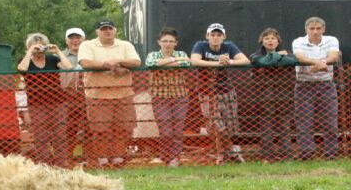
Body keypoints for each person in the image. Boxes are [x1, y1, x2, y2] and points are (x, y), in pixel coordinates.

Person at [77, 20, 142, 167]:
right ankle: (103, 159)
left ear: (115, 30)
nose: (107, 31)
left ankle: (118, 157)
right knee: (100, 130)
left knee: (124, 128)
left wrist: (118, 61)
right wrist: (107, 65)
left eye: (110, 28)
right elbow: (85, 63)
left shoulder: (125, 45)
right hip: (97, 94)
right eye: (103, 29)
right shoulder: (87, 45)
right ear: (97, 32)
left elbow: (137, 62)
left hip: (124, 93)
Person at [191, 23, 250, 163]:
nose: (215, 38)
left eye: (219, 35)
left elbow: (245, 60)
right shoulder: (200, 46)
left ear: (224, 36)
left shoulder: (228, 46)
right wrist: (218, 63)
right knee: (216, 126)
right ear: (207, 36)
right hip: (206, 93)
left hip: (226, 91)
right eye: (212, 35)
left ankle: (230, 153)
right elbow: (194, 61)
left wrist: (229, 61)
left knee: (231, 125)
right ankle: (224, 154)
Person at [17, 32, 73, 166]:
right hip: (37, 103)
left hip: (57, 102)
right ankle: (45, 163)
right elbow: (21, 69)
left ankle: (61, 162)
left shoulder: (53, 60)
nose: (39, 50)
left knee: (60, 133)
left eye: (41, 46)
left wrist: (58, 51)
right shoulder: (27, 61)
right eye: (35, 46)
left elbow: (69, 67)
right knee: (40, 135)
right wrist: (30, 52)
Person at [292, 17, 342, 160]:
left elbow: (333, 57)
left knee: (330, 122)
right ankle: (307, 154)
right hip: (303, 85)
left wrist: (320, 64)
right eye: (312, 29)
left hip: (326, 84)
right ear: (306, 30)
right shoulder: (298, 41)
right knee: (304, 122)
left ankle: (331, 154)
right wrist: (320, 64)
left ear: (323, 29)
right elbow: (300, 58)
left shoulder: (332, 40)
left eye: (318, 28)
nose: (315, 31)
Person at [146, 27, 192, 167]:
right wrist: (173, 61)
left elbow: (186, 62)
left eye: (171, 41)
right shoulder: (152, 54)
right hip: (160, 97)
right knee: (165, 129)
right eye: (164, 41)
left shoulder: (182, 53)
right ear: (159, 42)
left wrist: (164, 63)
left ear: (176, 43)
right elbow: (151, 64)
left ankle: (175, 158)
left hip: (180, 97)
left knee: (178, 129)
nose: (167, 44)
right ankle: (164, 156)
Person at [250, 28, 298, 162]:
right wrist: (278, 56)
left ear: (278, 41)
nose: (270, 41)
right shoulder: (255, 55)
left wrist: (279, 56)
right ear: (262, 41)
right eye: (266, 38)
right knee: (266, 127)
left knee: (284, 126)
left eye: (273, 38)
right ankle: (268, 156)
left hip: (284, 95)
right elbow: (262, 62)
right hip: (264, 97)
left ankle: (286, 155)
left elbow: (293, 61)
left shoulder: (288, 54)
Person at [61, 27, 88, 165]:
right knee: (69, 129)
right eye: (71, 38)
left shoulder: (90, 53)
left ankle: (91, 158)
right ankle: (67, 159)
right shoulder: (60, 56)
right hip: (68, 97)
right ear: (66, 41)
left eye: (78, 38)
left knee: (90, 128)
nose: (75, 41)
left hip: (89, 96)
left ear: (84, 40)